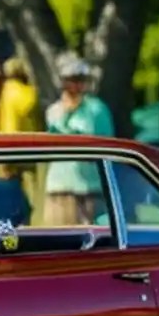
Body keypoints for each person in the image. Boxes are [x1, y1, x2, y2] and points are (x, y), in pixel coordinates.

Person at [44, 55, 114, 225]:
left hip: (90, 188)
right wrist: (66, 114)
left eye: (80, 80)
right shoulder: (53, 111)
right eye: (71, 80)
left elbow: (106, 144)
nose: (76, 85)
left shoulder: (97, 109)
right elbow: (52, 141)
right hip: (59, 187)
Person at [0, 58, 40, 136]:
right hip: (23, 137)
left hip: (6, 135)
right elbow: (27, 107)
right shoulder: (27, 91)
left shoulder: (5, 90)